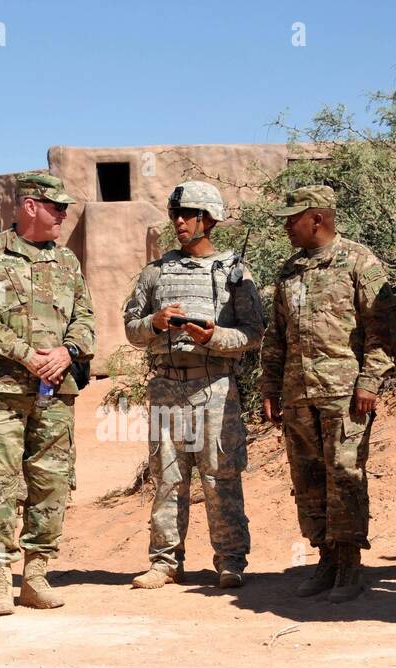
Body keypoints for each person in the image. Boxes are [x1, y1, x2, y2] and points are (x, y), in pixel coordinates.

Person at [0, 173, 95, 616]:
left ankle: (35, 576)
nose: (63, 215)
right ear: (31, 205)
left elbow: (85, 317)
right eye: (57, 207)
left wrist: (67, 351)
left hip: (56, 392)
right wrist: (25, 355)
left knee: (51, 483)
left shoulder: (68, 263)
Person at [122, 181, 264, 589]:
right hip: (167, 384)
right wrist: (155, 323)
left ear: (208, 219)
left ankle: (231, 560)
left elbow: (254, 333)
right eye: (175, 215)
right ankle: (165, 562)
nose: (179, 222)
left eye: (188, 215)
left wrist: (214, 337)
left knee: (221, 475)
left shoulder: (234, 273)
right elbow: (131, 329)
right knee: (167, 476)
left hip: (215, 385)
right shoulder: (155, 272)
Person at [260, 185, 396, 603]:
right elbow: (276, 336)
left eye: (293, 217)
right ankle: (325, 558)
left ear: (316, 219)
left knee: (345, 476)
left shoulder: (359, 262)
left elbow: (382, 330)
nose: (287, 226)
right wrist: (269, 385)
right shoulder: (290, 271)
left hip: (344, 393)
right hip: (298, 393)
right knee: (308, 479)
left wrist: (369, 382)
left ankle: (350, 565)